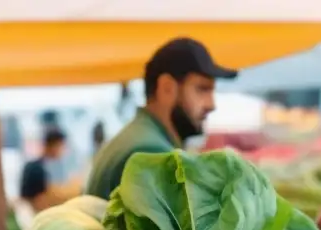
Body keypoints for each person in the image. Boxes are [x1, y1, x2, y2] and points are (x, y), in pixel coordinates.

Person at [86, 38, 237, 199]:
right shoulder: (151, 152)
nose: (211, 104)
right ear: (167, 88)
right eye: (202, 89)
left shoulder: (140, 136)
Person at [19, 128, 79, 212]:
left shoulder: (38, 165)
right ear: (54, 146)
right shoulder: (36, 169)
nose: (63, 151)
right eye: (61, 146)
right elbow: (40, 200)